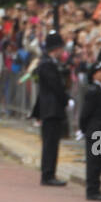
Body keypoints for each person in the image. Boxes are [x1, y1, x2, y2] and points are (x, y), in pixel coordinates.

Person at [31, 31, 69, 186]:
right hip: (51, 109)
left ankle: (49, 173)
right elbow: (56, 86)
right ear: (57, 48)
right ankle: (48, 175)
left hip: (50, 108)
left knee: (51, 142)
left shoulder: (48, 62)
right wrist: (67, 100)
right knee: (50, 143)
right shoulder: (47, 64)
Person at [78, 59, 101, 201]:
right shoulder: (94, 91)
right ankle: (92, 189)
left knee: (99, 159)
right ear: (94, 75)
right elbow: (86, 113)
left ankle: (95, 187)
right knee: (95, 160)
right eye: (100, 71)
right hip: (96, 131)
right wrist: (83, 129)